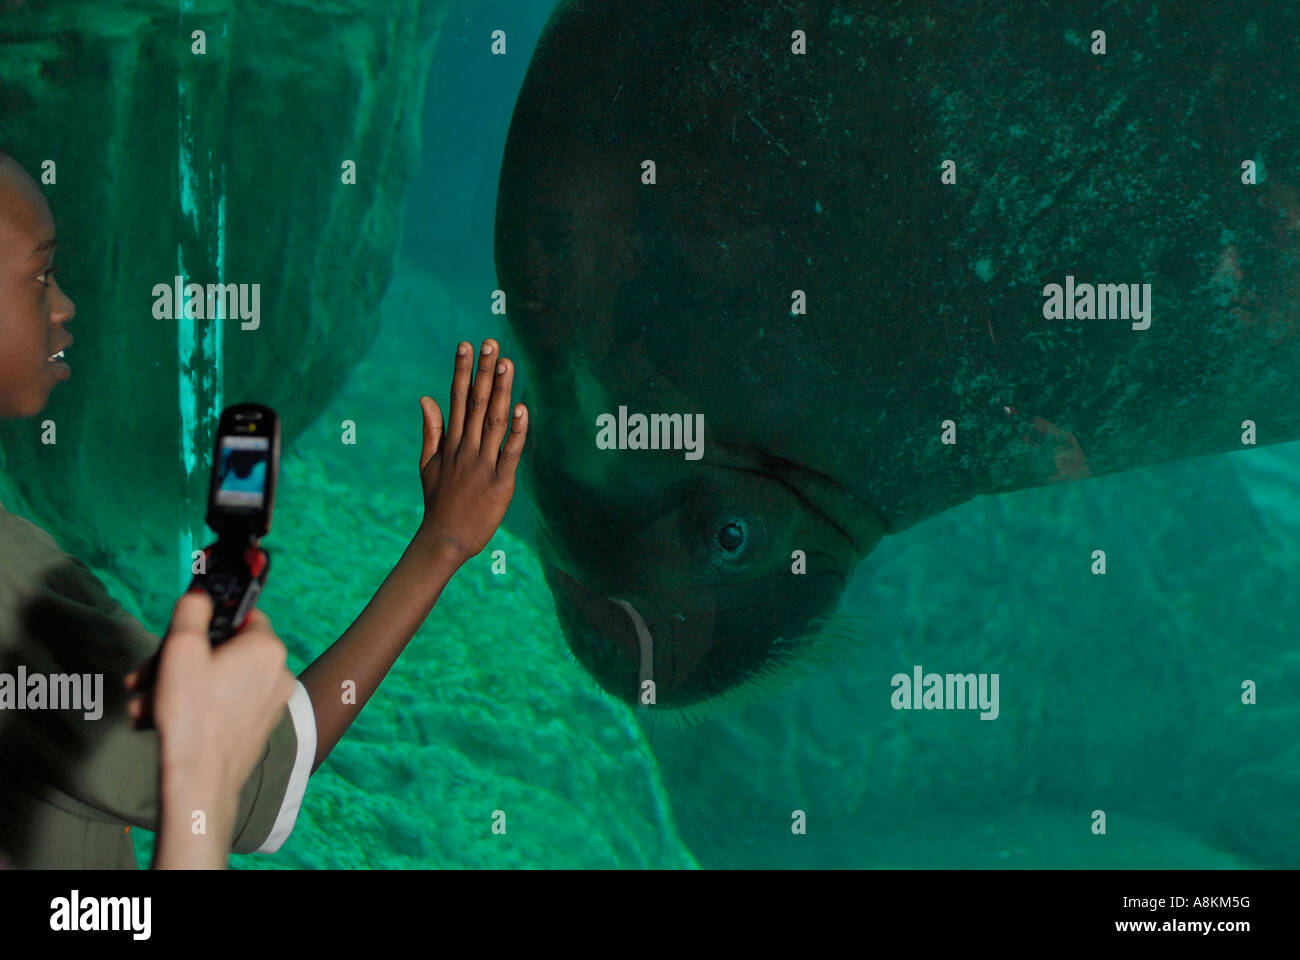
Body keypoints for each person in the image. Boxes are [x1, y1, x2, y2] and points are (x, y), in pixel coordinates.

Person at [0, 149, 529, 867]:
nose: (63, 304)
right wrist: (443, 544)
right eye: (39, 276)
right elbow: (248, 773)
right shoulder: (19, 590)